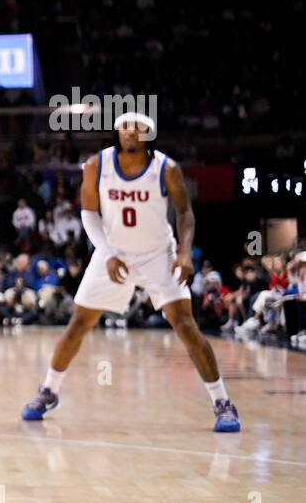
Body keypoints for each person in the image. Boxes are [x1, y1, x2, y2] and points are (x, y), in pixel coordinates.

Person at [21, 112, 240, 432]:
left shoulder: (167, 169)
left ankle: (222, 402)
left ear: (148, 134)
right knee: (78, 324)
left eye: (138, 128)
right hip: (114, 253)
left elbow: (185, 212)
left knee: (185, 325)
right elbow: (88, 214)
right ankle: (49, 391)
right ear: (117, 132)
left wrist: (183, 252)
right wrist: (107, 253)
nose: (131, 132)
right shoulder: (97, 165)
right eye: (125, 127)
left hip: (157, 255)